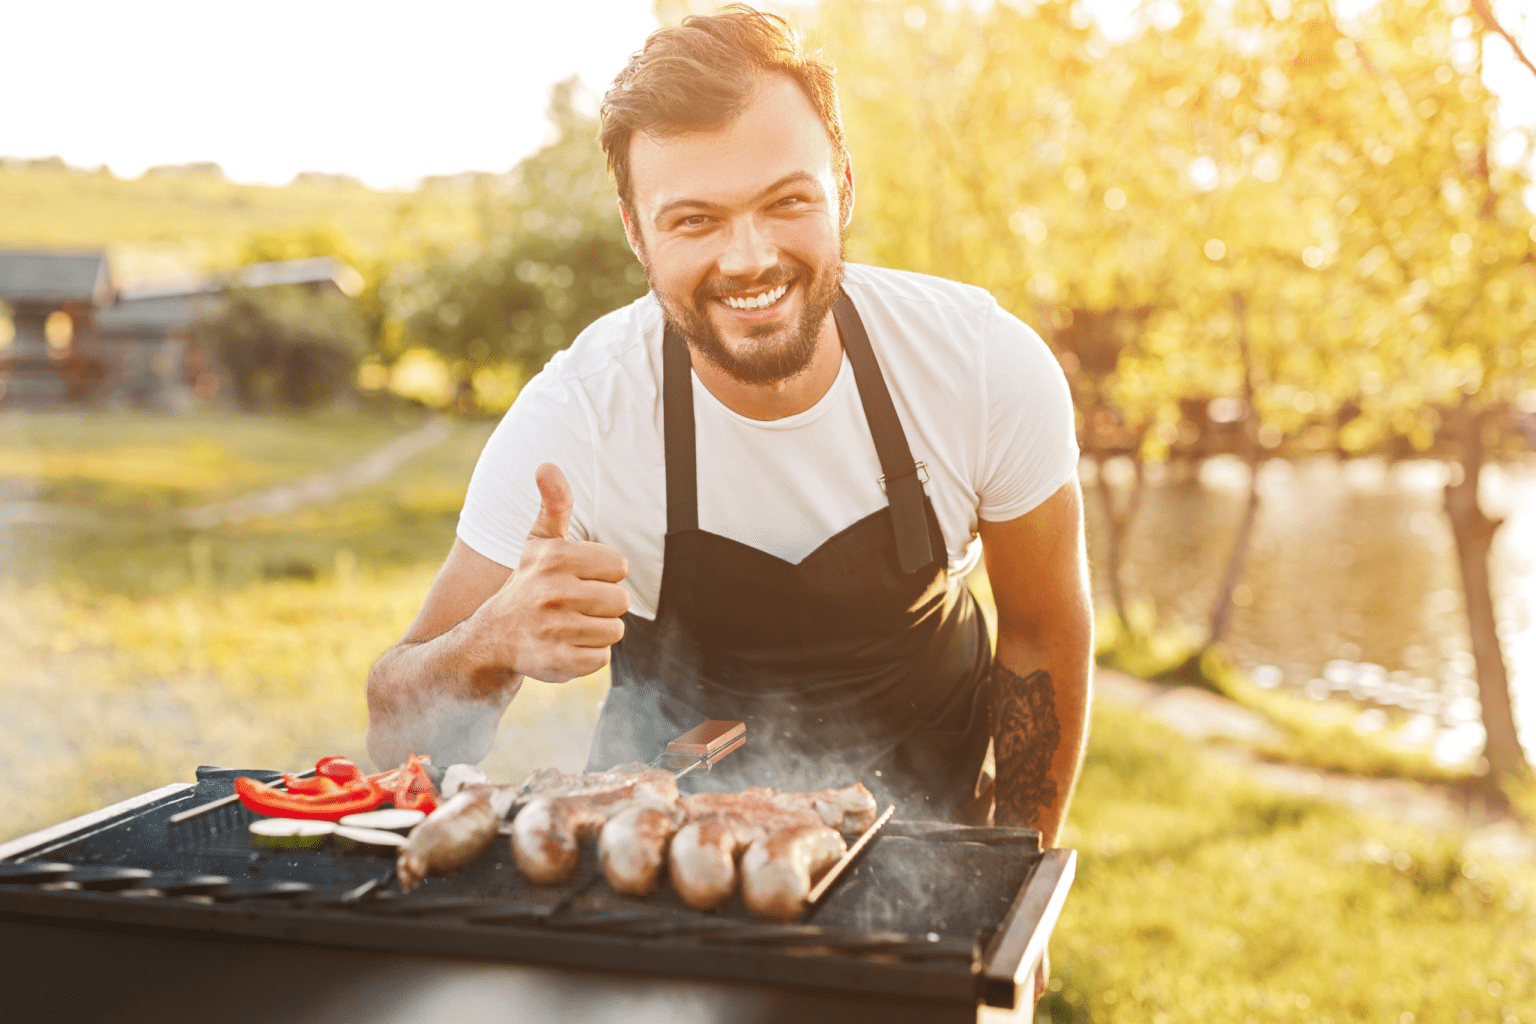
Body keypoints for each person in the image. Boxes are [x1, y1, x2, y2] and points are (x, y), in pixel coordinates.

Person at [367, 5, 1092, 844]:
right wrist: (488, 643)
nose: (749, 258)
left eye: (787, 201)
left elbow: (1042, 629)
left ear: (843, 188)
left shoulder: (982, 366)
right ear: (636, 231)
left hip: (925, 841)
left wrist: (1012, 869)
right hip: (656, 857)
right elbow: (397, 742)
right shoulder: (576, 420)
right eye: (695, 219)